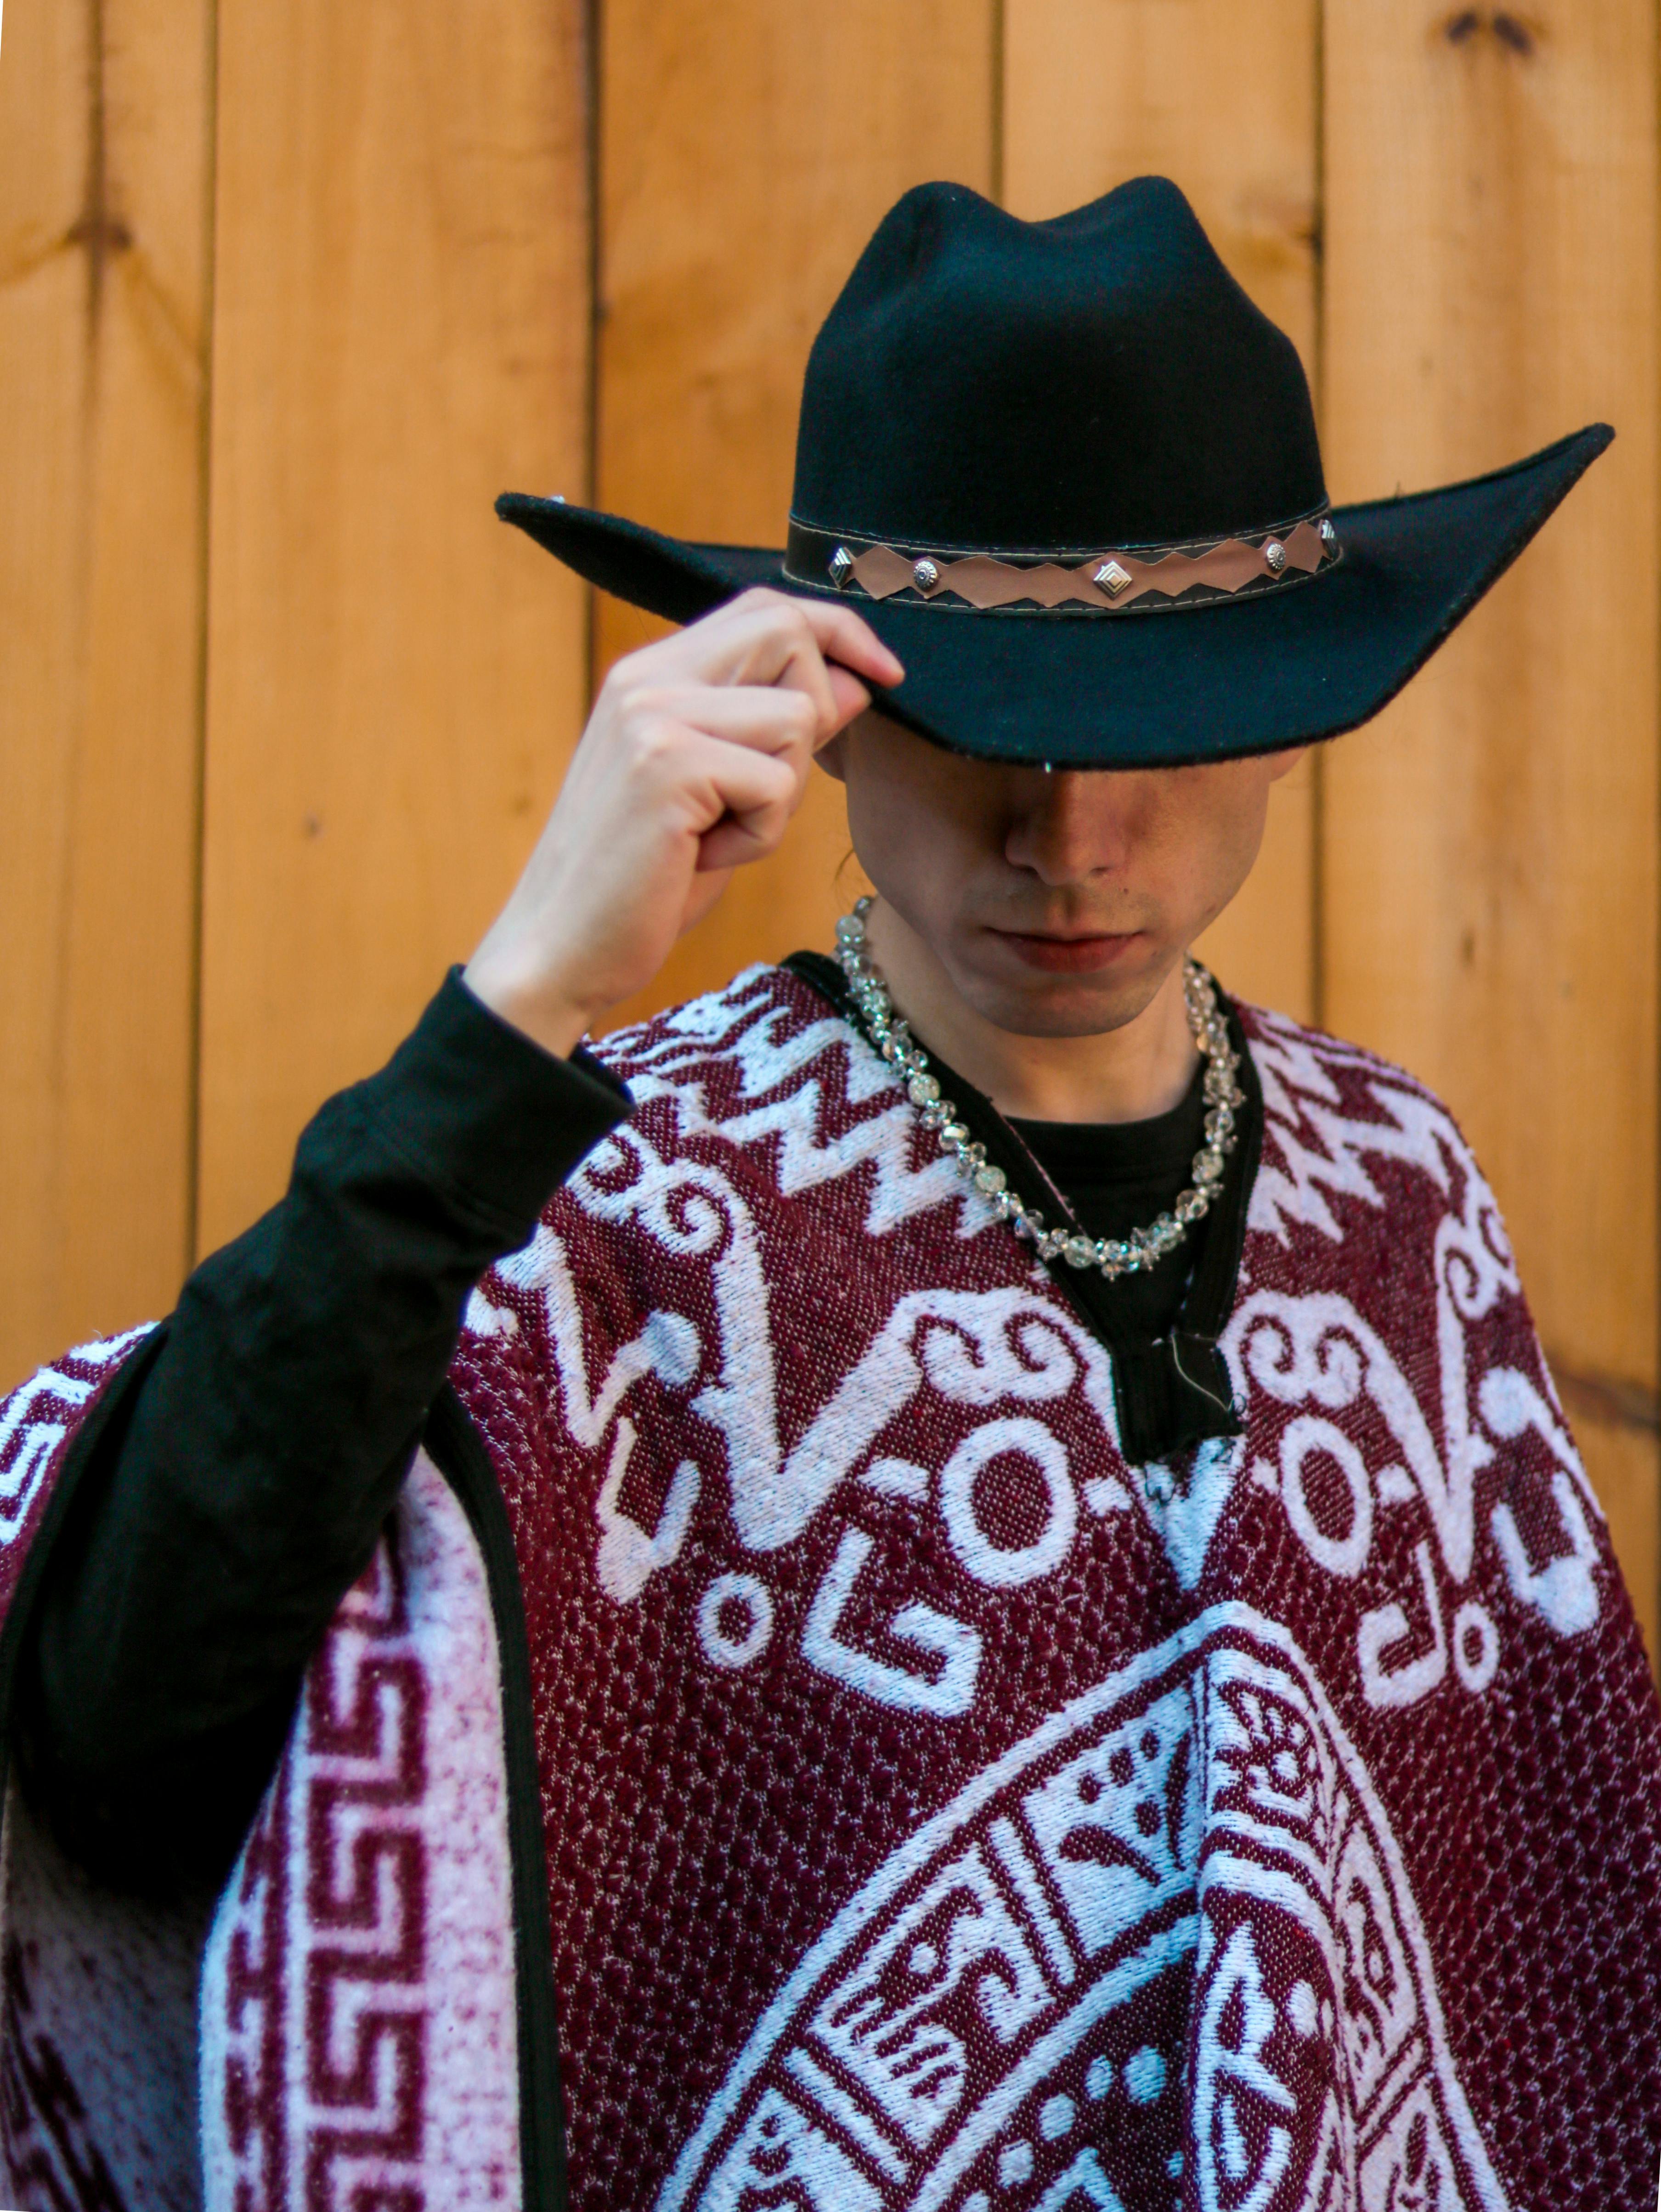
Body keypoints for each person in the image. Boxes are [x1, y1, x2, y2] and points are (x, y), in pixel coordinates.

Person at [0, 175, 1655, 2212]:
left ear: (1291, 711)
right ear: (815, 699)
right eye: (978, 729)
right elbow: (113, 1722)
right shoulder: (598, 1195)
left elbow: (1568, 1926)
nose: (1071, 834)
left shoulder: (1401, 1199)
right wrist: (518, 1004)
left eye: (1159, 729)